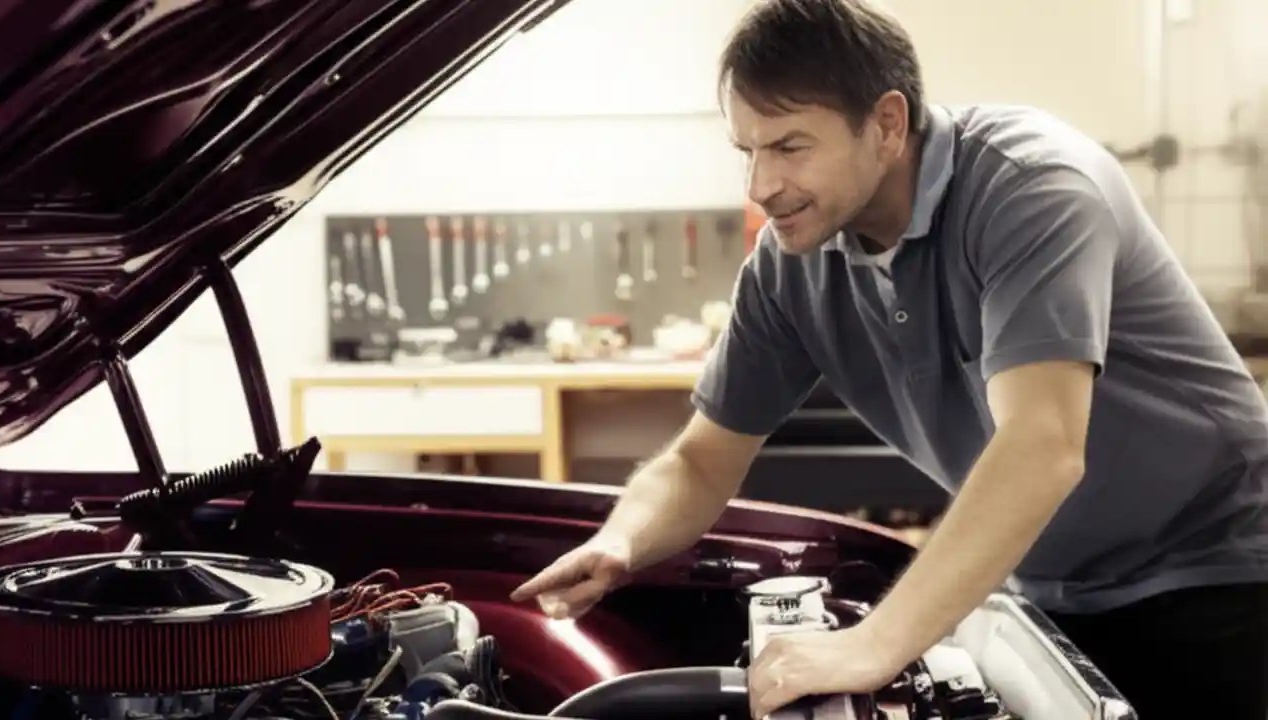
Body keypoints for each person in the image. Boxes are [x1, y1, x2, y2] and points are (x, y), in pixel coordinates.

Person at [511, 1, 1268, 717]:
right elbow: (703, 460)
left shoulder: (1031, 190)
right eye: (746, 150)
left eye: (789, 146)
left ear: (887, 123)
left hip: (1221, 577)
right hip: (1049, 593)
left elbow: (1042, 447)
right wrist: (622, 541)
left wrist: (871, 645)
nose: (760, 185)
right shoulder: (790, 264)